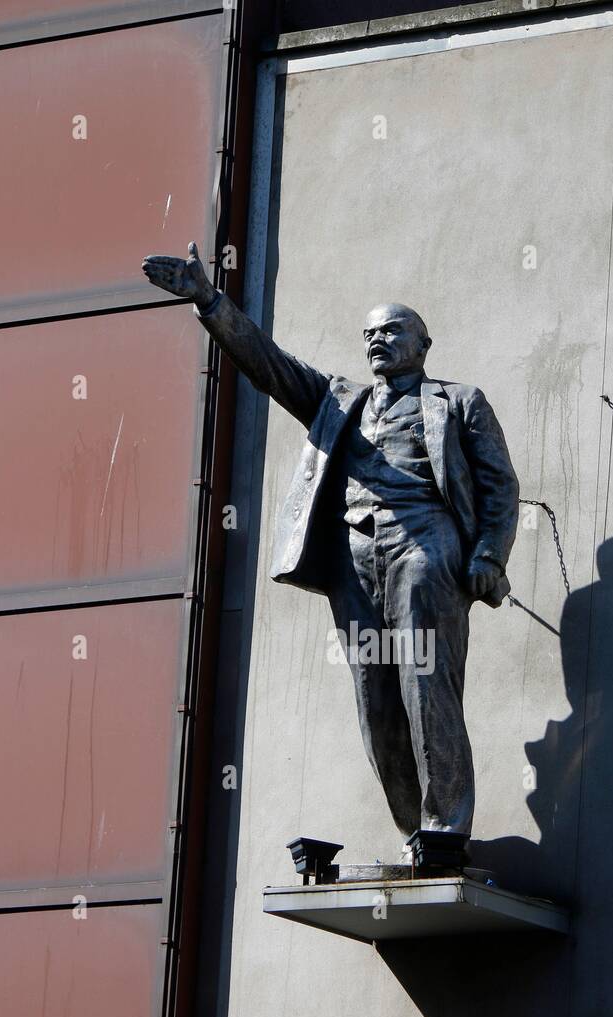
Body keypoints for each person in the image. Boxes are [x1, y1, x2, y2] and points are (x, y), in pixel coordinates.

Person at [142, 244, 520, 840]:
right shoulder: (339, 400)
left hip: (425, 545)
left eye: (393, 330)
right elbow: (270, 365)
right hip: (355, 559)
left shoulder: (459, 402)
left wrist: (488, 554)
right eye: (370, 332)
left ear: (424, 345)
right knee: (374, 698)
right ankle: (415, 832)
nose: (377, 340)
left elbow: (501, 487)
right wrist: (210, 301)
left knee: (425, 682)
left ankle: (446, 826)